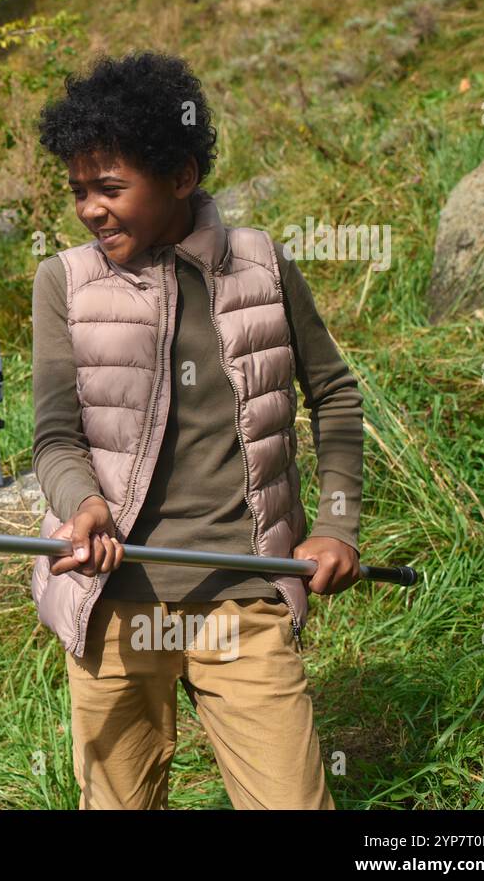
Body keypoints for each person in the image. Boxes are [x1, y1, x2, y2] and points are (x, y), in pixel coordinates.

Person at [30, 53, 364, 808]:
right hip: (113, 602)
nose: (89, 209)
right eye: (78, 190)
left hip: (244, 598)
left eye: (110, 188)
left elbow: (336, 395)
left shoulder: (262, 267)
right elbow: (54, 436)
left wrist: (338, 524)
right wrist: (83, 506)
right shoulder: (64, 283)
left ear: (180, 177)